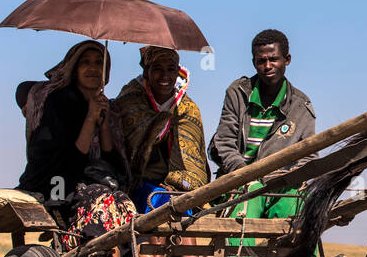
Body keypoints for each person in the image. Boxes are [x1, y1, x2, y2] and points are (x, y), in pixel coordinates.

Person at [17, 40, 136, 257]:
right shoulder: (60, 101)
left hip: (90, 180)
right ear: (75, 68)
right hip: (58, 183)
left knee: (123, 203)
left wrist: (104, 122)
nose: (93, 69)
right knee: (103, 201)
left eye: (99, 63)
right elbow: (68, 159)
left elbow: (110, 156)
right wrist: (90, 118)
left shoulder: (106, 104)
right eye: (86, 63)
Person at [209, 29, 316, 236]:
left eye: (274, 59)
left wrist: (279, 179)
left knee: (297, 212)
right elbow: (224, 142)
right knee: (248, 205)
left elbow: (308, 156)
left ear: (287, 59)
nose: (267, 66)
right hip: (239, 182)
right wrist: (246, 176)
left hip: (281, 185)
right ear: (253, 62)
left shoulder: (301, 105)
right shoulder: (238, 93)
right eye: (261, 61)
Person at [113, 46, 210, 213]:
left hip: (179, 188)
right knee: (160, 203)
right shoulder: (129, 101)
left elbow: (193, 163)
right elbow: (122, 152)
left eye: (171, 69)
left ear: (177, 72)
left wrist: (173, 184)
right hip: (135, 183)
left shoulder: (187, 109)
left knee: (179, 206)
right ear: (146, 72)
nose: (165, 75)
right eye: (157, 68)